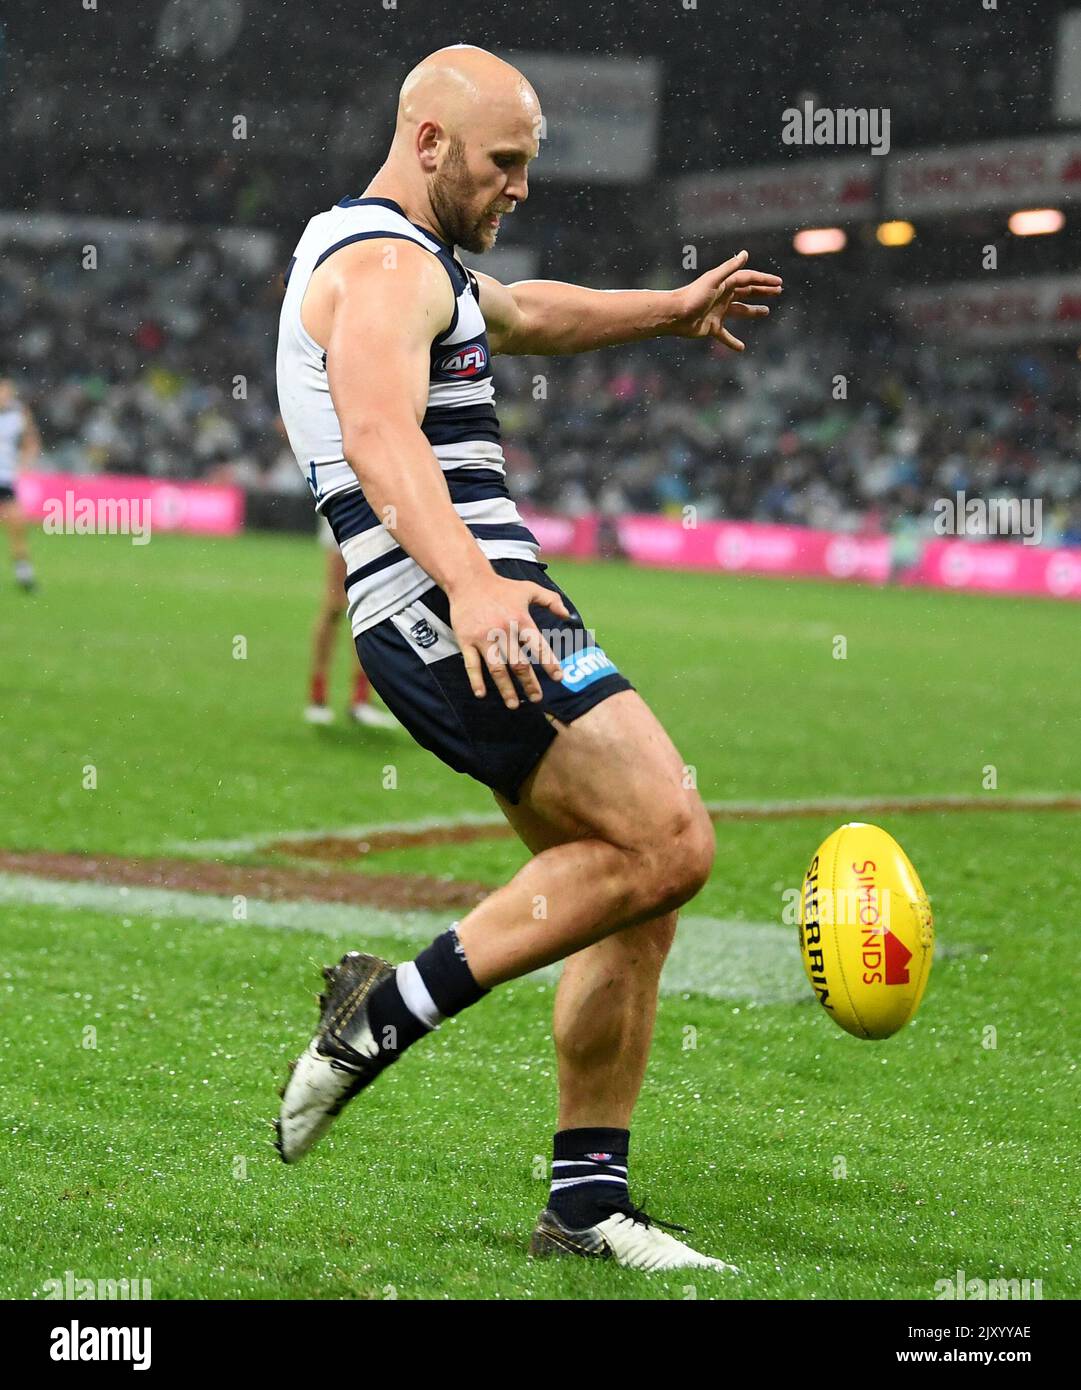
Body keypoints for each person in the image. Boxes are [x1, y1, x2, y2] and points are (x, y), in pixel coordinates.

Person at [274, 45, 781, 1271]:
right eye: (504, 163)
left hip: (477, 599)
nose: (518, 187)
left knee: (632, 884)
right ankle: (379, 1013)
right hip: (456, 607)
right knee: (671, 840)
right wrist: (471, 583)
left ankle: (585, 1202)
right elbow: (385, 437)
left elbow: (526, 312)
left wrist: (665, 310)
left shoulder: (418, 259)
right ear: (430, 139)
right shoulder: (383, 263)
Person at [304, 513, 399, 729]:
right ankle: (318, 696)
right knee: (335, 605)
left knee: (372, 608)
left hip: (380, 512)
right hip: (346, 506)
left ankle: (361, 699)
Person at [0, 377, 40, 591]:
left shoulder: (19, 414)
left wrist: (25, 463)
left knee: (17, 527)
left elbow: (31, 441)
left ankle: (24, 574)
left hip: (5, 478)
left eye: (6, 392)